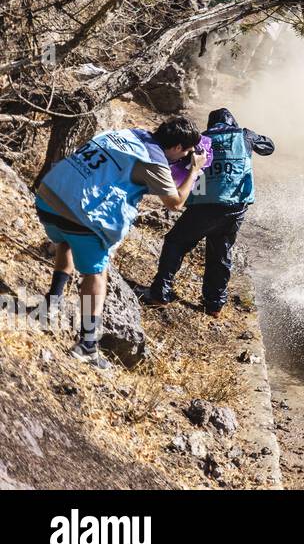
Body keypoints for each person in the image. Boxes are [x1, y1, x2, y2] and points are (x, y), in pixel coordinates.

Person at [35, 117, 204, 368]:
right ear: (178, 147)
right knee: (96, 275)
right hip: (78, 217)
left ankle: (51, 304)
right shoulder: (154, 161)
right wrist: (195, 170)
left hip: (48, 199)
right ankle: (87, 346)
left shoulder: (128, 133)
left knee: (67, 242)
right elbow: (175, 203)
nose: (184, 157)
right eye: (186, 153)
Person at [146, 108, 274, 317]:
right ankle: (214, 305)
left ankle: (160, 293)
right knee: (220, 252)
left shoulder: (201, 141)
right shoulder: (244, 135)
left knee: (176, 242)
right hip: (235, 206)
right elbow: (269, 147)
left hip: (203, 205)